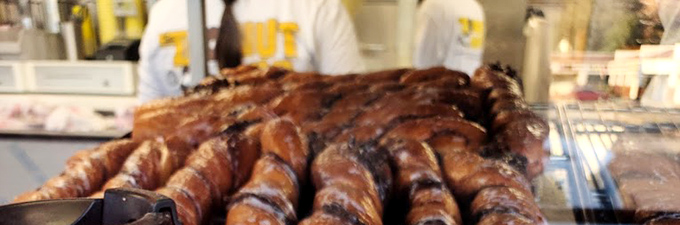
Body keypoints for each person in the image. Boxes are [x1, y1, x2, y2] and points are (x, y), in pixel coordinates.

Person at [138, 0, 365, 103]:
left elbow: (353, 104)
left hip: (295, 174)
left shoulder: (317, 7)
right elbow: (148, 117)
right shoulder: (164, 13)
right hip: (188, 179)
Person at [413, 0, 486, 77]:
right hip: (469, 84)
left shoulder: (434, 4)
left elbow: (422, 61)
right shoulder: (474, 7)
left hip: (441, 85)